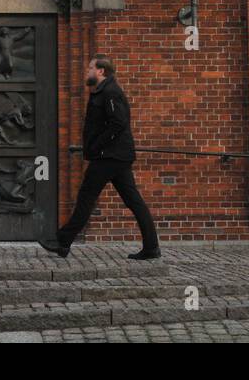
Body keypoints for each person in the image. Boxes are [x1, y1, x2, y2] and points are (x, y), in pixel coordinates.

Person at [39, 55, 161, 260]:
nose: (87, 71)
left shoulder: (111, 93)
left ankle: (63, 241)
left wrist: (97, 145)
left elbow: (118, 123)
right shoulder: (103, 92)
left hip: (109, 157)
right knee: (133, 201)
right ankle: (151, 248)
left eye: (90, 68)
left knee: (86, 197)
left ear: (101, 71)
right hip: (114, 157)